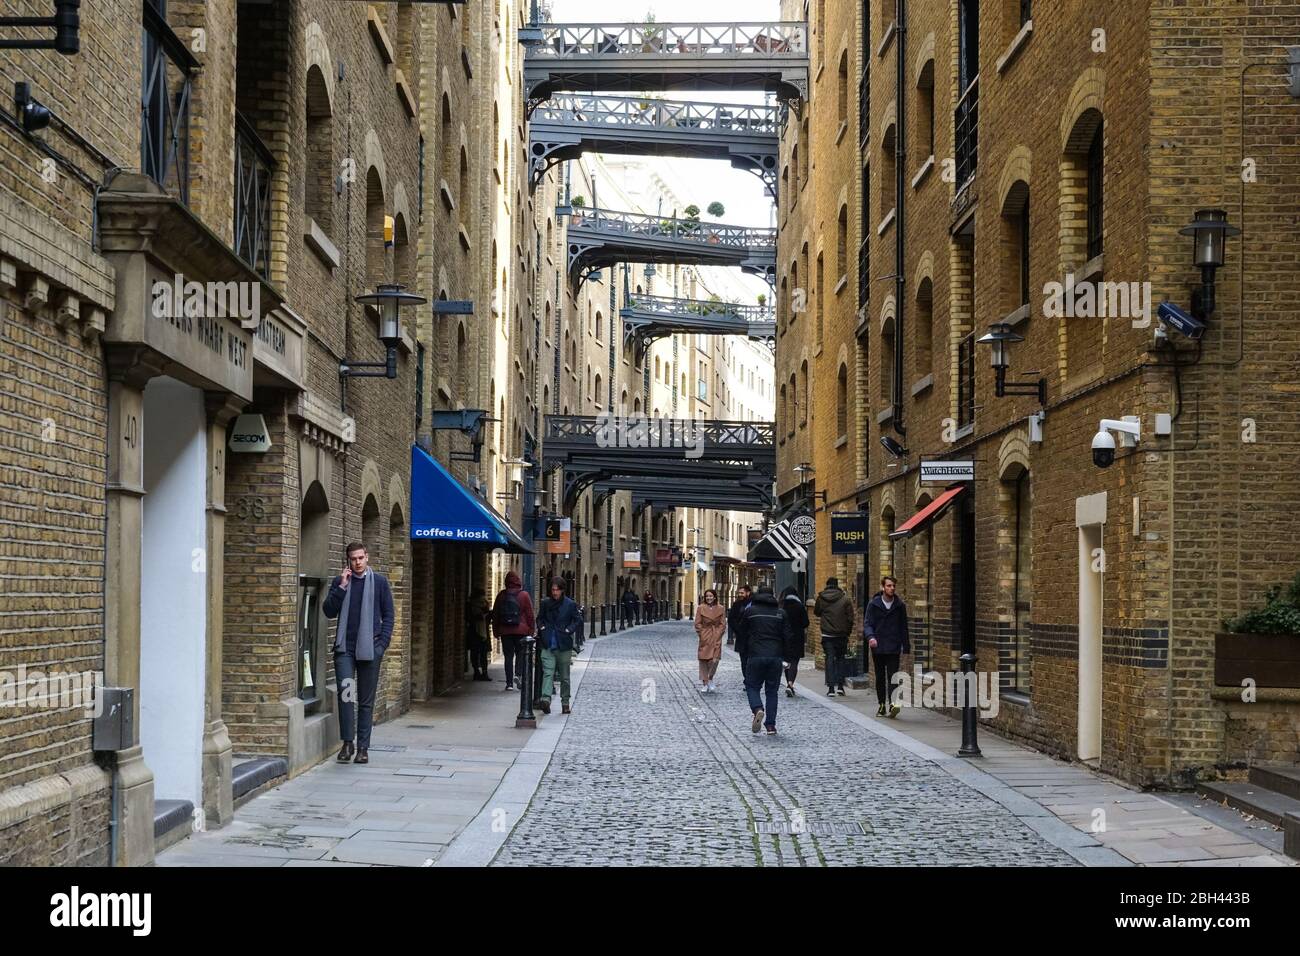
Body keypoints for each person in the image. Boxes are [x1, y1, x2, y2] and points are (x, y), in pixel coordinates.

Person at [322, 542, 396, 765]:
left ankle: (363, 747)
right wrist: (342, 587)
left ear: (367, 557)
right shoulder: (340, 582)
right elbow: (328, 611)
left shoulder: (380, 583)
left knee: (365, 700)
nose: (357, 562)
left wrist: (381, 645)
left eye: (360, 558)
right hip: (345, 648)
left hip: (370, 649)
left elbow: (389, 616)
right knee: (346, 696)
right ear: (348, 561)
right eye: (353, 559)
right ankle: (347, 743)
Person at [738, 585, 797, 735]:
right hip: (775, 656)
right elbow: (788, 636)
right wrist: (787, 657)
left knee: (752, 686)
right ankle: (770, 725)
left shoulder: (750, 612)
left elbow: (742, 633)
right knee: (772, 692)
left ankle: (757, 708)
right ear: (773, 596)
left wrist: (743, 653)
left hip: (755, 655)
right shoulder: (781, 613)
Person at [864, 576, 911, 718]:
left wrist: (906, 646)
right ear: (883, 587)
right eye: (889, 586)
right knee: (880, 677)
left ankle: (892, 703)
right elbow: (867, 624)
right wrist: (871, 637)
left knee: (893, 676)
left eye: (893, 586)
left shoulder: (899, 605)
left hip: (893, 645)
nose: (891, 588)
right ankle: (881, 704)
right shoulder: (874, 604)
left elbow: (904, 627)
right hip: (878, 646)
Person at [535, 578, 583, 714]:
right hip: (548, 644)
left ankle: (565, 702)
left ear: (562, 590)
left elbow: (577, 619)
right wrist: (542, 628)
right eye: (553, 590)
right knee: (548, 673)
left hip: (564, 645)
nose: (554, 592)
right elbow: (540, 618)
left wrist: (569, 630)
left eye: (557, 590)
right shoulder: (545, 603)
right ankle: (545, 699)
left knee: (564, 677)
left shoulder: (570, 604)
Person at [492, 570, 536, 692]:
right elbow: (530, 615)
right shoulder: (524, 595)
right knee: (521, 654)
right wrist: (531, 630)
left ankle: (509, 683)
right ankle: (518, 674)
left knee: (508, 657)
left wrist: (496, 631)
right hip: (521, 631)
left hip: (505, 631)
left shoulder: (501, 595)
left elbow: (495, 615)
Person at [814, 576, 855, 698]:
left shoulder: (822, 598)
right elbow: (850, 618)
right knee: (841, 659)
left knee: (829, 659)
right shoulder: (845, 599)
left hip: (827, 634)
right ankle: (841, 687)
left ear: (827, 585)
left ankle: (831, 688)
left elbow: (816, 612)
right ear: (837, 585)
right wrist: (847, 632)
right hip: (841, 634)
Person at [694, 588, 726, 692]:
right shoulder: (700, 608)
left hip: (716, 635)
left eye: (711, 596)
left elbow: (722, 623)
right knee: (703, 659)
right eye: (707, 596)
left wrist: (719, 633)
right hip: (705, 635)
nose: (709, 598)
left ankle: (710, 678)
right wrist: (702, 633)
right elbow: (697, 623)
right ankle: (705, 682)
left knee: (714, 659)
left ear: (715, 597)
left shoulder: (721, 608)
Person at [780, 586, 808, 698]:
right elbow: (806, 622)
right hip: (797, 637)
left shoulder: (781, 606)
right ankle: (790, 683)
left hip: (784, 637)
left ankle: (788, 683)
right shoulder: (800, 606)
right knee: (794, 661)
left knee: (786, 661)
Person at [728, 585, 754, 682]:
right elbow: (731, 619)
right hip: (741, 637)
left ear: (748, 592)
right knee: (743, 660)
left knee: (751, 660)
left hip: (752, 637)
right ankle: (747, 679)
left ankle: (751, 679)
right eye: (739, 593)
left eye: (742, 593)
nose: (740, 595)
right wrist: (738, 630)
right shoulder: (736, 604)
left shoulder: (754, 603)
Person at [466, 588, 491, 681]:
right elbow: (470, 617)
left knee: (475, 653)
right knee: (482, 654)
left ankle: (477, 672)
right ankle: (483, 673)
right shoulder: (484, 604)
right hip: (479, 631)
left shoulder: (471, 604)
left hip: (475, 631)